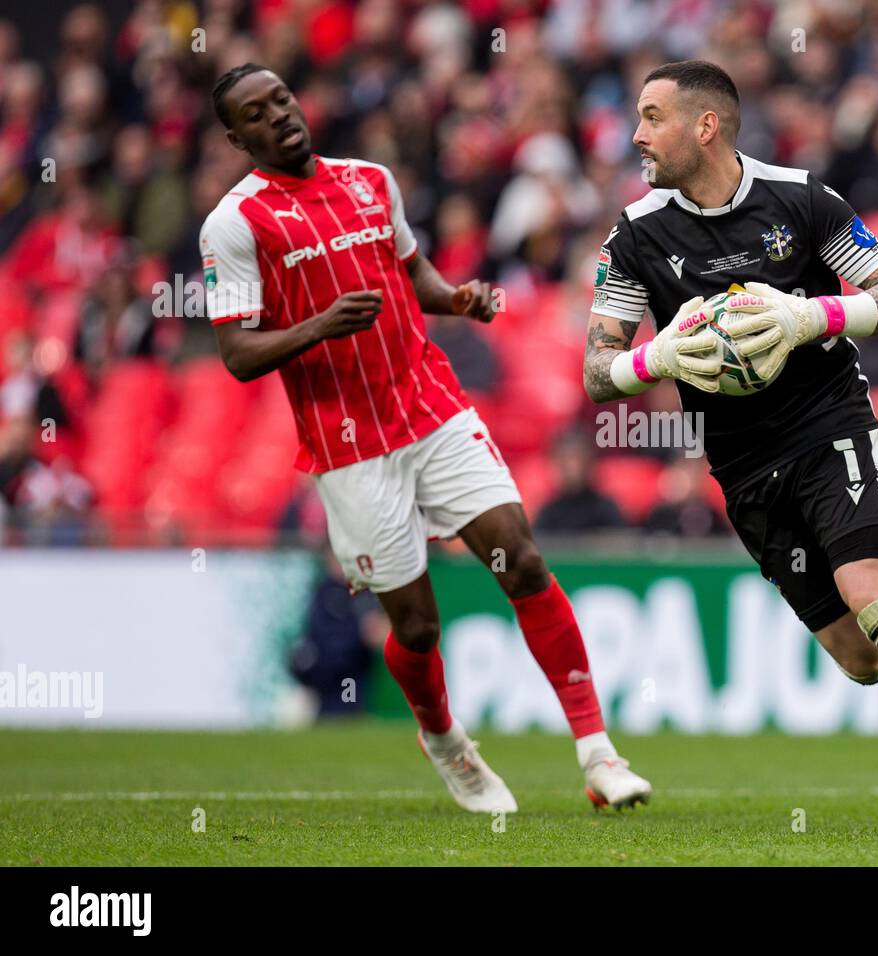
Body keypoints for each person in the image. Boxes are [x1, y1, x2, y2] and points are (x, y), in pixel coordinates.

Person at [581, 60, 878, 835]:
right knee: (861, 657)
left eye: (652, 117)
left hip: (830, 425)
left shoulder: (804, 199)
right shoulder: (636, 235)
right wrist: (657, 360)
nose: (637, 133)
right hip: (743, 464)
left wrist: (804, 317)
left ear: (705, 124)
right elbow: (596, 371)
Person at [202, 64, 650, 814]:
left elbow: (415, 276)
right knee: (416, 624)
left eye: (281, 98)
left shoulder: (370, 180)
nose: (278, 115)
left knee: (525, 561)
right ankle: (444, 739)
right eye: (256, 113)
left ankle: (598, 753)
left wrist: (460, 300)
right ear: (236, 136)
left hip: (432, 409)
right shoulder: (237, 223)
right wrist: (320, 325)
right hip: (350, 448)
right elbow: (238, 354)